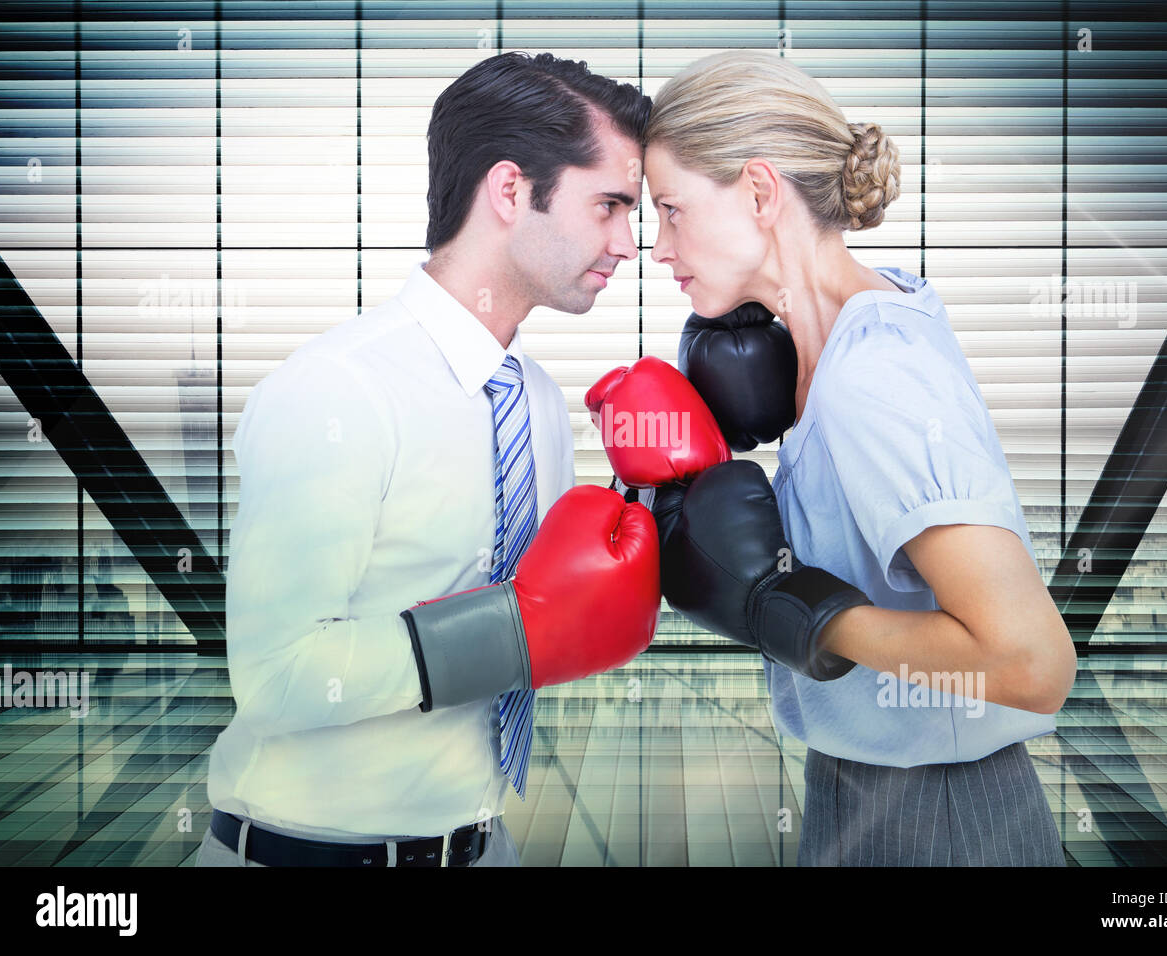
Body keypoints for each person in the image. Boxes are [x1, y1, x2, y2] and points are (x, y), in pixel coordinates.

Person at [196, 52, 662, 868]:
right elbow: (272, 676)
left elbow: (557, 622)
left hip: (484, 845)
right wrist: (511, 632)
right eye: (611, 206)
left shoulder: (539, 404)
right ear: (511, 191)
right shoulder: (337, 391)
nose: (630, 243)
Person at [640, 49, 1077, 866]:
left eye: (671, 210)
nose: (658, 247)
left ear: (761, 192)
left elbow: (1031, 663)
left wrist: (799, 611)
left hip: (939, 812)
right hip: (867, 786)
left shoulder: (873, 375)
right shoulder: (845, 334)